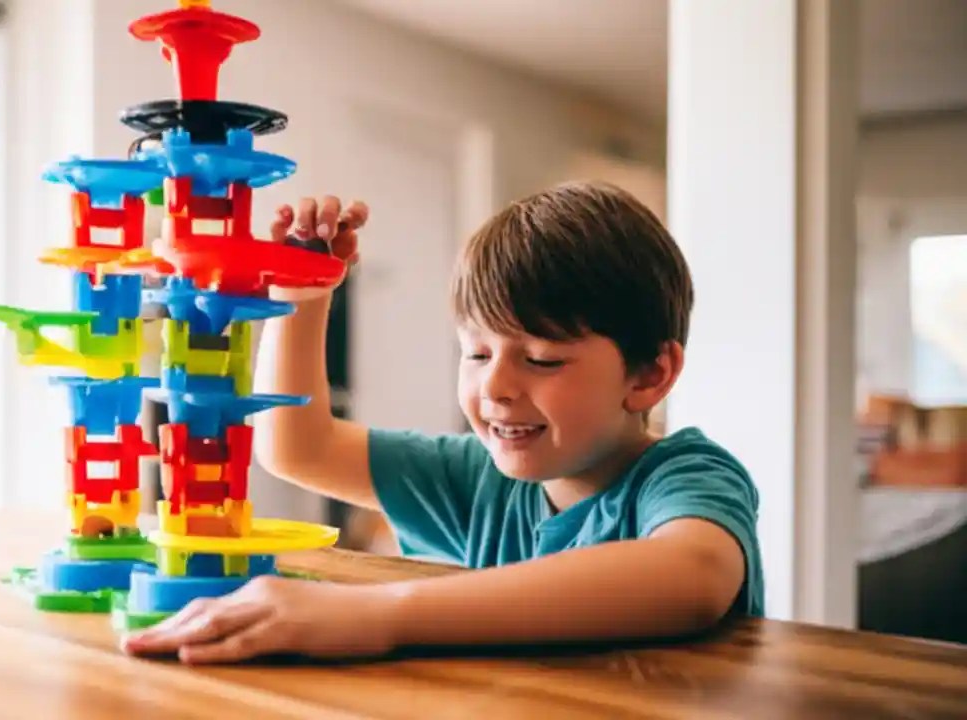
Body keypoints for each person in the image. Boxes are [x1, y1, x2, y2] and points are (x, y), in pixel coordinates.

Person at [122, 181, 764, 664]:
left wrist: (380, 614)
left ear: (649, 375)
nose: (495, 386)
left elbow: (692, 575)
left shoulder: (683, 475)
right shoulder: (475, 479)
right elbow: (300, 447)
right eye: (477, 353)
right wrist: (305, 292)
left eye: (542, 359)